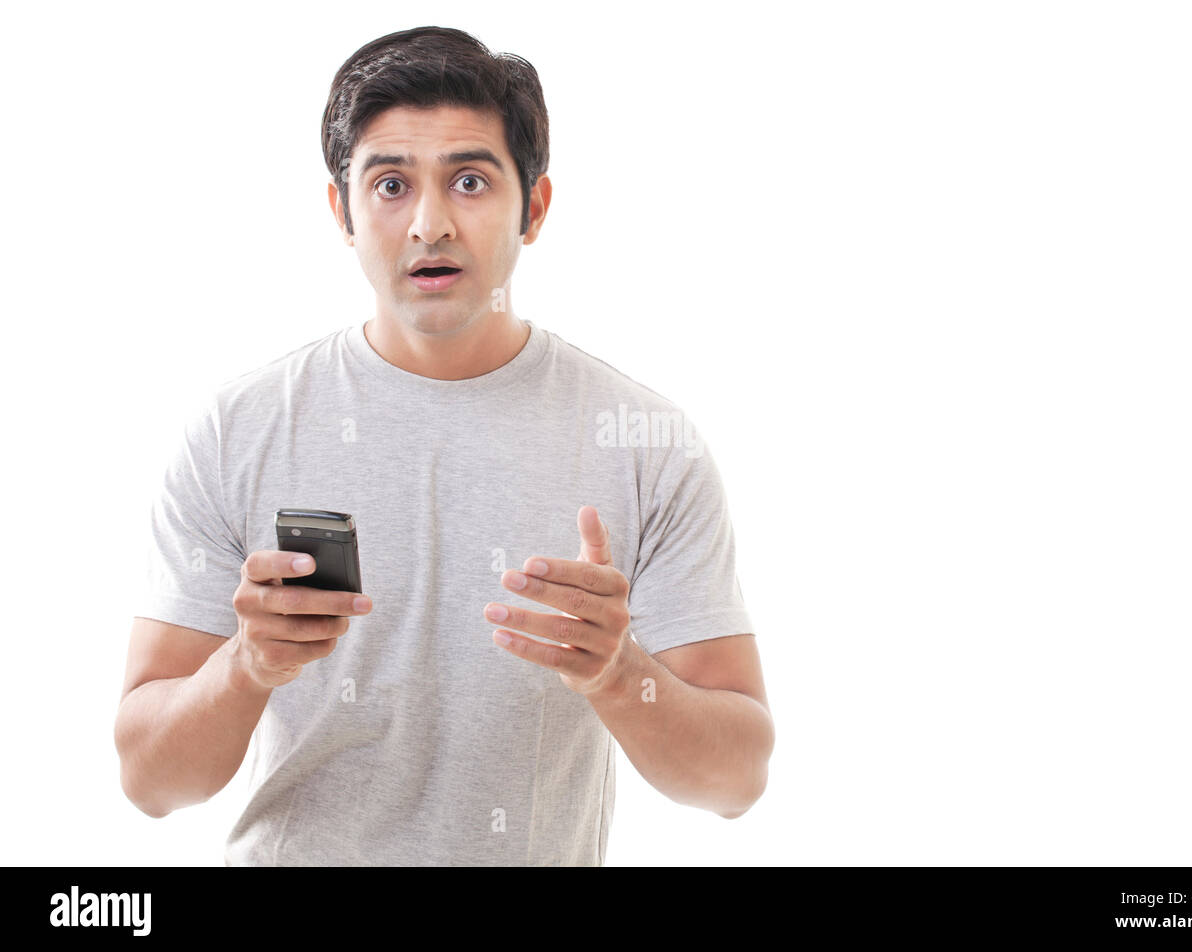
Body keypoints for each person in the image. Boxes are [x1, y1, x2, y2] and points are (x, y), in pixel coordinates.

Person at [114, 25, 773, 866]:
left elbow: (735, 783)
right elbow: (150, 783)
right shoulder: (235, 432)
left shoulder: (647, 445)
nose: (430, 223)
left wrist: (617, 671)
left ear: (533, 207)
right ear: (340, 211)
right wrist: (246, 665)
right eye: (390, 184)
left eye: (469, 181)